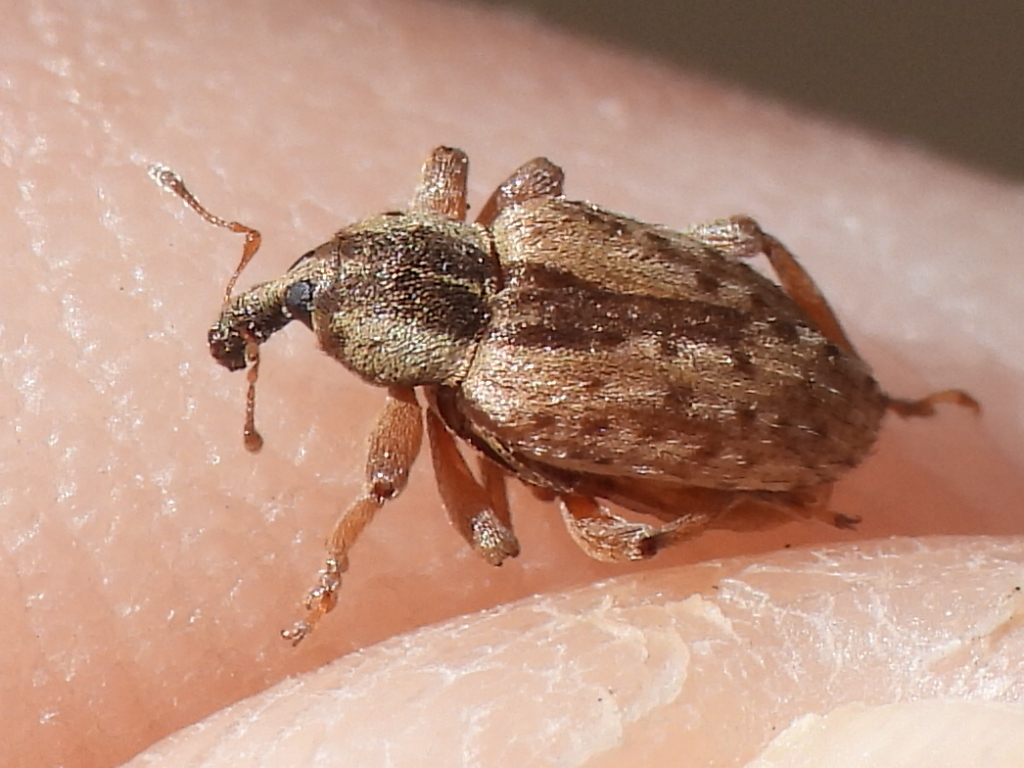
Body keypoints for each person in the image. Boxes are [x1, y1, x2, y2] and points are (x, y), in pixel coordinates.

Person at [3, 2, 1021, 766]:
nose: (288, 298)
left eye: (307, 292)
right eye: (304, 295)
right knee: (734, 258)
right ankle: (846, 431)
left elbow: (418, 498)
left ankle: (805, 471)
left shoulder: (498, 370)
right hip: (751, 391)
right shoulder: (519, 223)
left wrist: (332, 570)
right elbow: (477, 161)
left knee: (583, 531)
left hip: (776, 417)